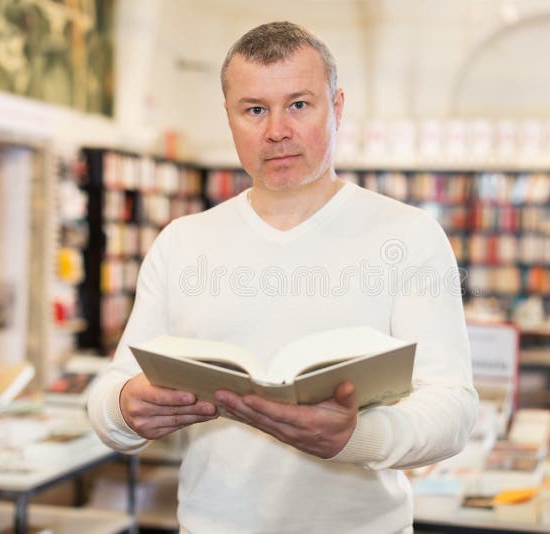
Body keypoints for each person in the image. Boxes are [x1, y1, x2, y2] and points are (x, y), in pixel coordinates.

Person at [88, 20, 478, 534]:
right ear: (229, 118)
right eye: (254, 110)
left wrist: (354, 437)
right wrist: (124, 409)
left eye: (299, 104)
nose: (276, 130)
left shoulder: (409, 236)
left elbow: (453, 410)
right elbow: (110, 394)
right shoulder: (182, 242)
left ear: (336, 108)